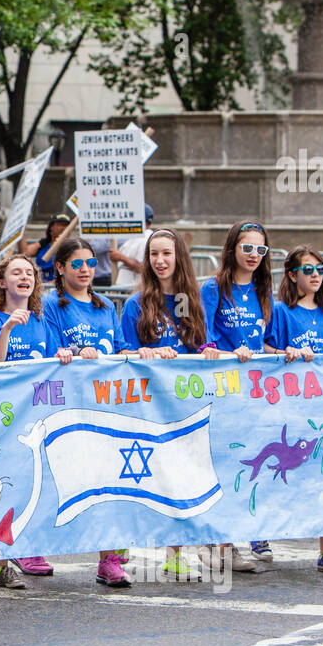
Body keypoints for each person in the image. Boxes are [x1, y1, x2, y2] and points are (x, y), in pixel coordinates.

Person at [119, 228, 251, 578]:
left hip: (186, 407)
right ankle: (116, 553)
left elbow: (202, 347)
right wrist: (141, 352)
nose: (160, 261)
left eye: (167, 253)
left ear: (179, 257)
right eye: (153, 255)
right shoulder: (136, 304)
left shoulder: (192, 302)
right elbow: (122, 354)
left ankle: (174, 552)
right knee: (145, 480)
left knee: (182, 480)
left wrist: (224, 353)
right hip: (148, 409)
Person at [265, 246, 323, 574]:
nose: (316, 275)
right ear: (292, 275)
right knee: (281, 475)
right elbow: (267, 348)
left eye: (320, 269)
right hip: (292, 411)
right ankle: (260, 533)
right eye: (308, 270)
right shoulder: (282, 311)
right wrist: (285, 351)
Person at [41, 237, 129, 585]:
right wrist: (76, 350)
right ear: (60, 268)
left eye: (91, 263)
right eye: (77, 263)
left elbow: (121, 350)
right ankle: (29, 550)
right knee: (56, 479)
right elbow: (47, 349)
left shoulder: (106, 305)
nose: (85, 270)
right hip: (65, 405)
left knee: (112, 480)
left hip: (104, 405)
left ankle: (111, 558)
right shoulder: (50, 304)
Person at [0, 254, 68, 586]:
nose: (25, 277)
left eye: (29, 273)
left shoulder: (44, 320)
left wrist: (64, 356)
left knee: (30, 482)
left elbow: (56, 359)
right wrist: (7, 327)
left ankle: (20, 553)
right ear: (1, 281)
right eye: (16, 272)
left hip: (34, 416)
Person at [201, 220, 275, 564]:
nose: (254, 256)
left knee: (256, 461)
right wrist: (226, 353)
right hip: (224, 389)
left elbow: (267, 341)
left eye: (261, 250)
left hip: (257, 391)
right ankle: (223, 544)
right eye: (247, 248)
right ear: (232, 249)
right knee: (227, 463)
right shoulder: (213, 288)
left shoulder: (263, 290)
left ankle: (255, 530)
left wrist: (281, 353)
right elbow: (204, 340)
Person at [112, 204, 156, 291]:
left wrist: (122, 258)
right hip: (124, 291)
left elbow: (143, 268)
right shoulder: (134, 237)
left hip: (135, 291)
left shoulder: (146, 239)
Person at [22, 214, 71, 285]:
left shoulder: (71, 248)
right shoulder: (43, 244)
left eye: (66, 225)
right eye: (60, 224)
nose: (63, 228)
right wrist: (21, 231)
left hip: (59, 287)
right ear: (51, 227)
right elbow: (25, 252)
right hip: (41, 284)